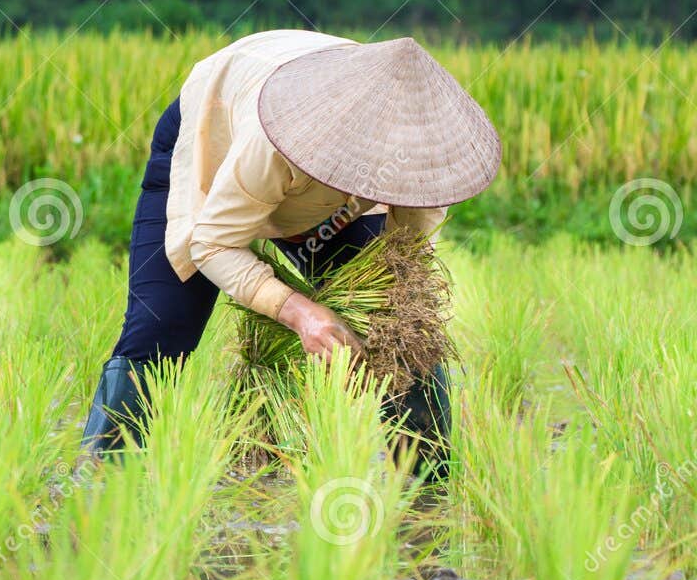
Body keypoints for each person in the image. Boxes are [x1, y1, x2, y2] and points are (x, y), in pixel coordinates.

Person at [80, 29, 501, 463]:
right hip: (222, 119)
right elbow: (212, 243)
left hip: (319, 188)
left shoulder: (427, 162)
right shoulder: (275, 136)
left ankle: (425, 495)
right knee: (164, 325)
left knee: (397, 329)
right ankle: (104, 483)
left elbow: (406, 258)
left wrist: (386, 316)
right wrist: (301, 314)